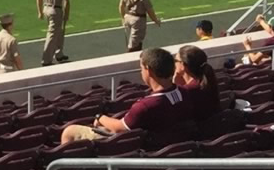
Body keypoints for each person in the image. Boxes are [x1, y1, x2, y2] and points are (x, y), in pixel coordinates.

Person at [60, 47, 190, 145]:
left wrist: (100, 117)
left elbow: (119, 128)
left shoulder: (146, 105)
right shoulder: (184, 94)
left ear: (148, 70)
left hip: (139, 149)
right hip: (168, 146)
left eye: (141, 68)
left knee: (69, 131)